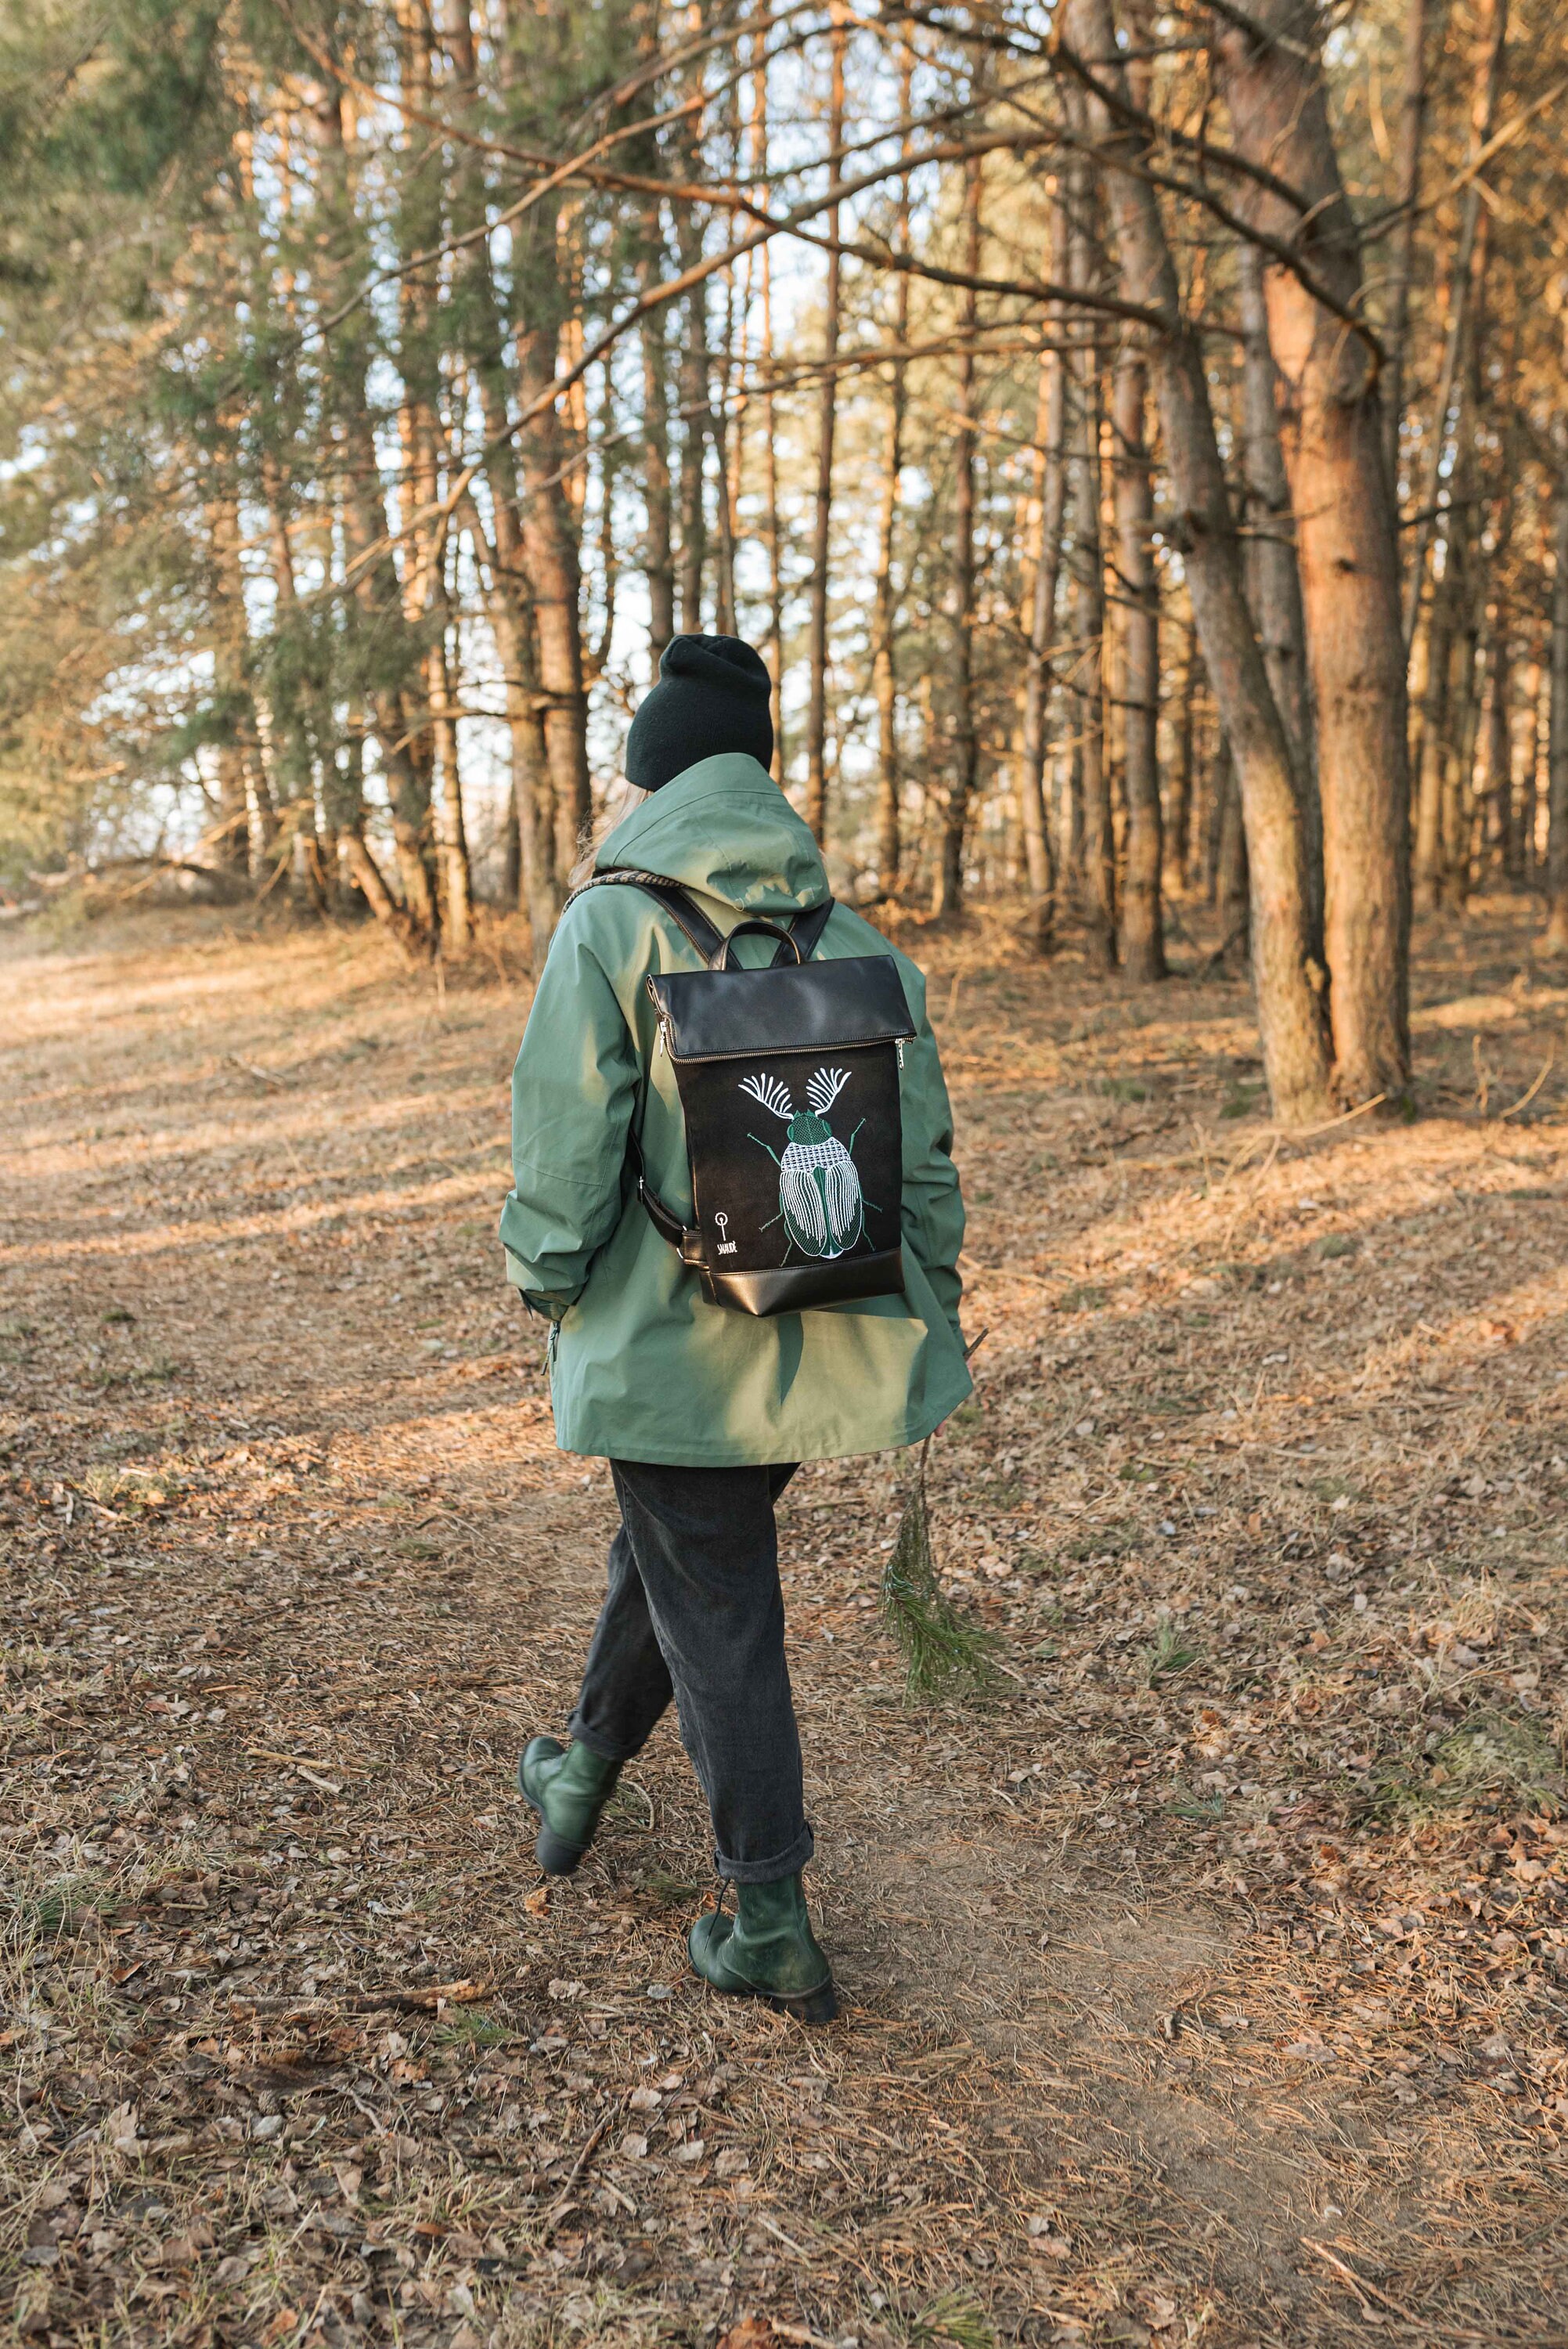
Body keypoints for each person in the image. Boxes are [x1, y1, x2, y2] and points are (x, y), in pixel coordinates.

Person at [499, 632, 970, 2023]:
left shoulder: (610, 926)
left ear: (652, 780)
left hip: (665, 1334)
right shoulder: (858, 941)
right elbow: (924, 1163)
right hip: (816, 1331)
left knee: (718, 1601)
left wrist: (552, 1280)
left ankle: (768, 1909)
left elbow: (563, 1144)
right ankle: (580, 1765)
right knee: (682, 1553)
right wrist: (930, 1283)